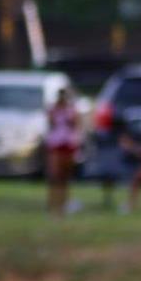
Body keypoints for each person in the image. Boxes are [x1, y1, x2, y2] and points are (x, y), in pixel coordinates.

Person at [44, 88, 81, 216]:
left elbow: (76, 125)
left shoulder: (72, 110)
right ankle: (52, 203)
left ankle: (64, 203)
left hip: (68, 144)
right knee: (55, 176)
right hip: (56, 144)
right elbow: (50, 124)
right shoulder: (53, 109)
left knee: (65, 177)